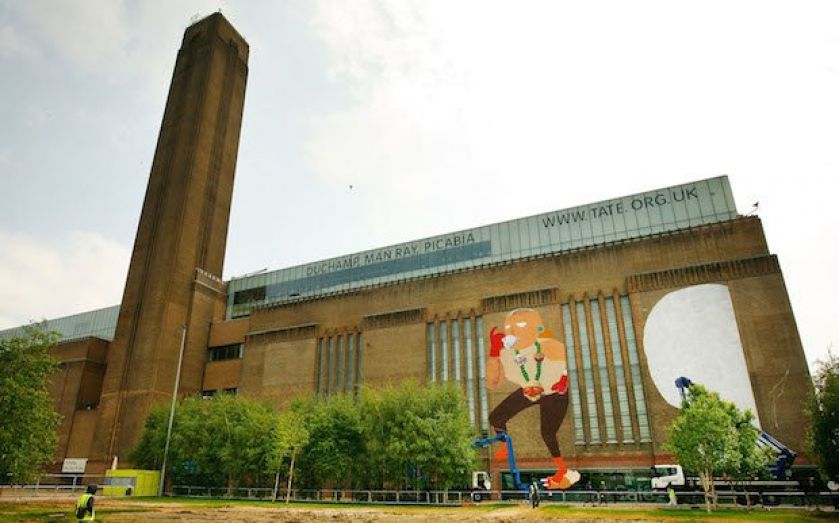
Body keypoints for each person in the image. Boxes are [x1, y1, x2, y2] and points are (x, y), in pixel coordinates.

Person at [486, 308, 580, 490]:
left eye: (520, 325)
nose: (512, 330)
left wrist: (559, 380)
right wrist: (494, 353)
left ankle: (563, 471)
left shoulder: (549, 345)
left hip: (553, 392)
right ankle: (505, 445)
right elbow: (492, 382)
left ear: (538, 328)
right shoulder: (508, 354)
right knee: (496, 418)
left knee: (548, 433)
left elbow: (560, 364)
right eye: (508, 326)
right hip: (528, 390)